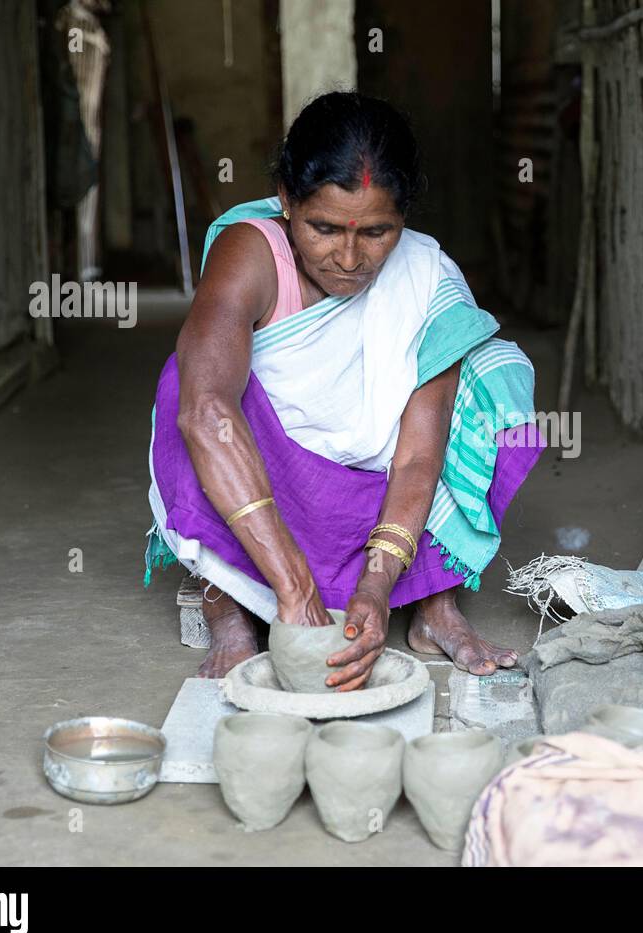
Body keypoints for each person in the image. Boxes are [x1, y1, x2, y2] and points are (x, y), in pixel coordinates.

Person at [144, 91, 543, 688]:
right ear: (285, 200)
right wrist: (296, 590)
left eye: (378, 232)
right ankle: (225, 601)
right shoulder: (251, 253)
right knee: (191, 386)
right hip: (266, 488)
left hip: (374, 499)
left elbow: (415, 461)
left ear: (403, 218)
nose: (350, 258)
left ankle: (431, 602)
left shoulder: (427, 282)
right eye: (324, 228)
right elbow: (206, 413)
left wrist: (378, 587)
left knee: (486, 372)